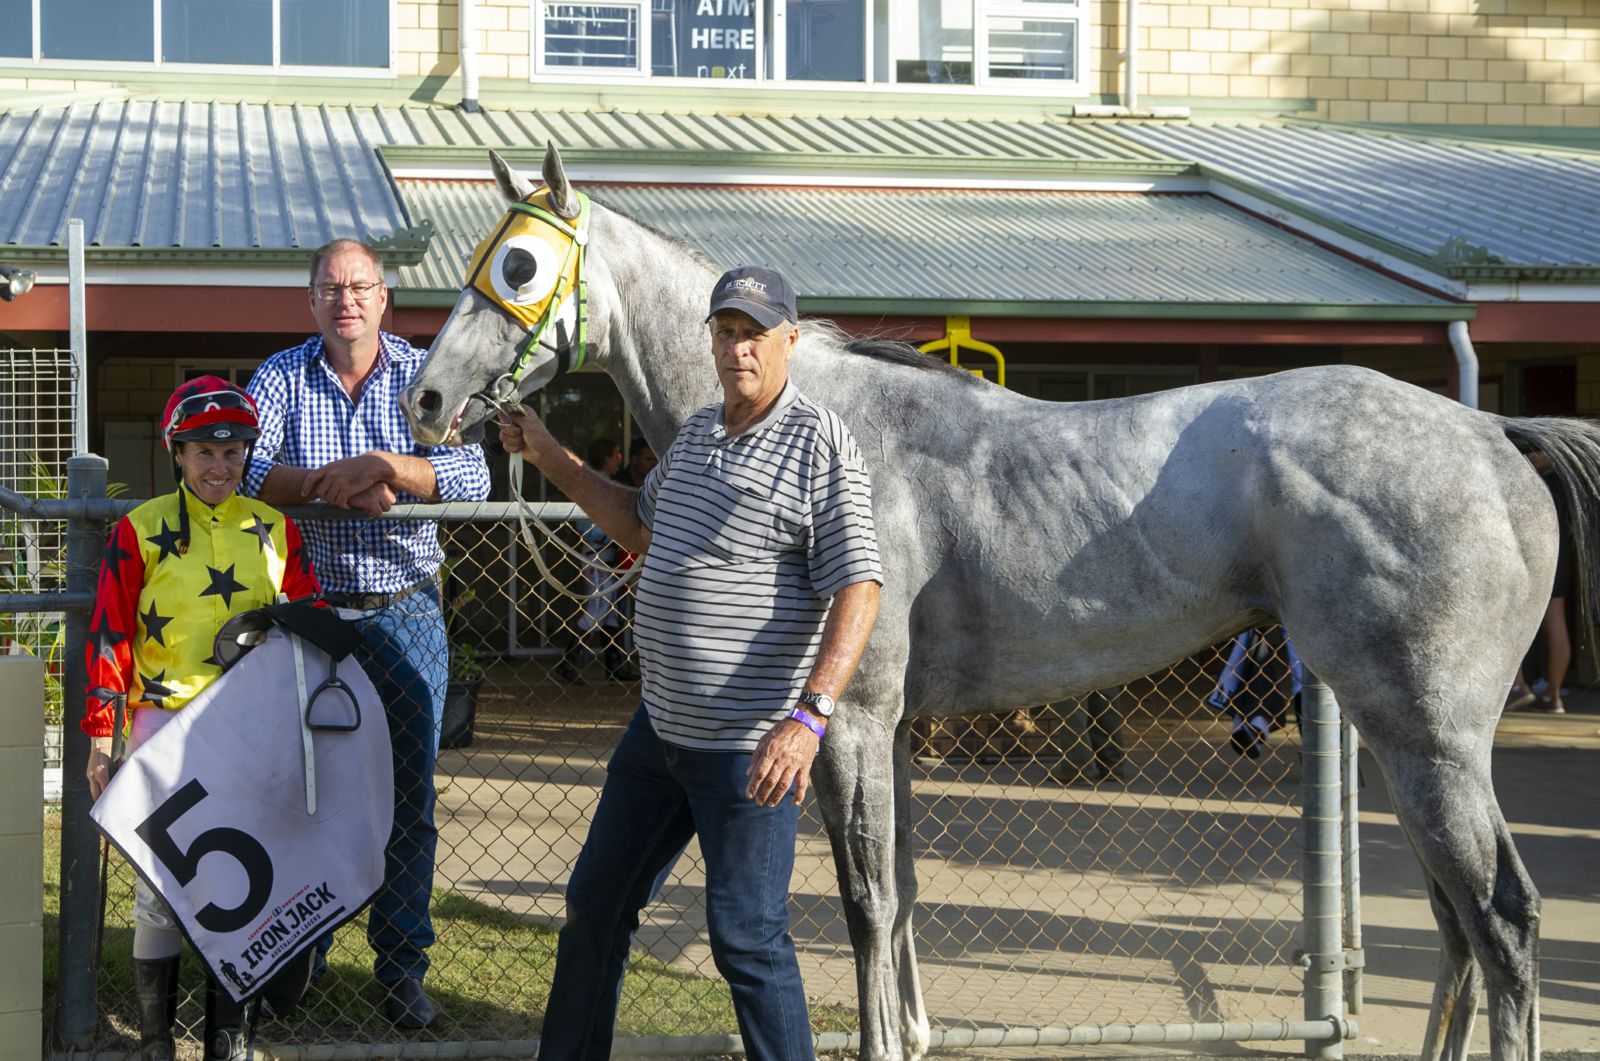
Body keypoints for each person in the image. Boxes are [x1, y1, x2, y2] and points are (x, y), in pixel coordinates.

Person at [499, 264, 883, 1060]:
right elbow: (638, 525)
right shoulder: (698, 435)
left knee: (745, 935)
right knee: (596, 904)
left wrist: (810, 718)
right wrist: (549, 453)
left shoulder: (819, 443)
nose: (739, 348)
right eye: (726, 331)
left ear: (790, 341)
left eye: (754, 333)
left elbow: (860, 586)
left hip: (750, 749)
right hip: (661, 734)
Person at [242, 239, 491, 1028]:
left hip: (405, 609)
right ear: (311, 300)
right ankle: (299, 956)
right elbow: (245, 467)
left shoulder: (425, 374)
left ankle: (401, 967)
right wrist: (333, 486)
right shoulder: (281, 376)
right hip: (309, 612)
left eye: (359, 286)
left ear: (384, 297)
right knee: (303, 792)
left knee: (408, 796)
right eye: (329, 287)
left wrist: (388, 466)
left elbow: (475, 473)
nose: (344, 298)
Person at [84, 377, 323, 1061]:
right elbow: (110, 633)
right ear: (177, 453)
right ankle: (157, 1041)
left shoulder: (278, 528)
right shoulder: (139, 529)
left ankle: (228, 1037)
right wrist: (100, 738)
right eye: (203, 452)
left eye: (232, 452)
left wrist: (285, 629)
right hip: (161, 730)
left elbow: (311, 621)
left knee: (238, 892)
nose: (219, 466)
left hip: (250, 731)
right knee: (160, 890)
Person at [554, 439, 638, 683]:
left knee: (610, 612)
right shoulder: (594, 484)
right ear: (607, 458)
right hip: (597, 555)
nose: (619, 461)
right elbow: (586, 527)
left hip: (609, 557)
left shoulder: (607, 483)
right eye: (617, 456)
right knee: (599, 608)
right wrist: (616, 532)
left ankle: (614, 666)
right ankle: (567, 662)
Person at [1507, 449, 1574, 714]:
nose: (1531, 455)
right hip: (1561, 554)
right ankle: (1553, 697)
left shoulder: (1534, 481)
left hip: (1533, 554)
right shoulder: (1567, 481)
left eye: (1537, 452)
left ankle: (1517, 685)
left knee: (1514, 617)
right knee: (1556, 623)